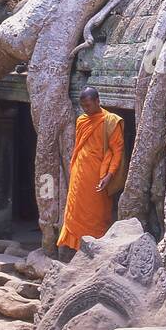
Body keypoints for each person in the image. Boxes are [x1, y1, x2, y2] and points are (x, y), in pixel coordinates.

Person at [57, 87, 126, 253]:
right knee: (74, 212)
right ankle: (76, 249)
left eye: (88, 105)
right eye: (83, 107)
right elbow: (79, 147)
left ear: (97, 101)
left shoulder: (110, 121)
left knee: (96, 214)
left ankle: (96, 249)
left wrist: (109, 175)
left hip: (98, 175)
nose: (86, 110)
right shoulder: (82, 120)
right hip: (79, 174)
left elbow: (117, 151)